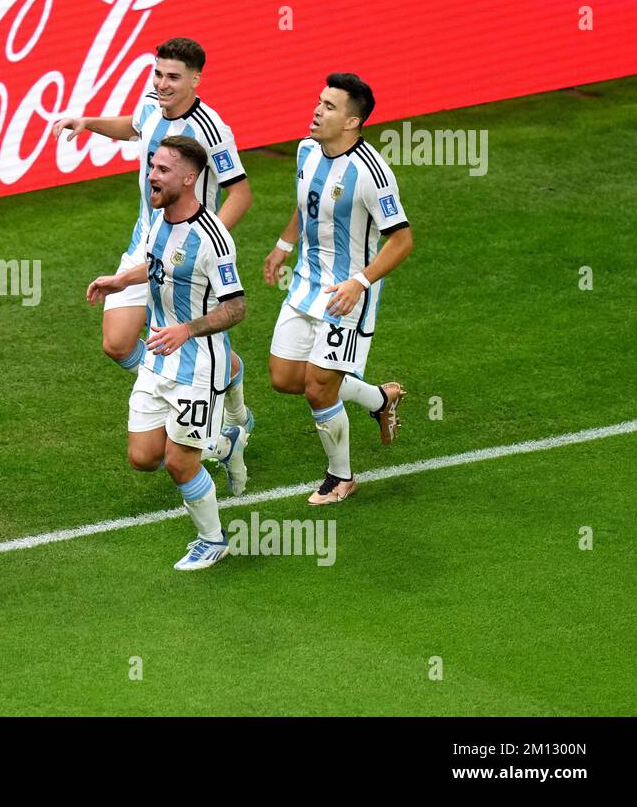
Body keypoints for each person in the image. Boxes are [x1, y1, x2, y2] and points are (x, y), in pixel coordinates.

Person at [52, 37, 256, 450]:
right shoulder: (151, 103)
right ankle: (221, 374)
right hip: (145, 246)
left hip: (187, 257)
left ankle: (221, 414)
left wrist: (207, 240)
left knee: (185, 339)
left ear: (196, 79)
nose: (162, 84)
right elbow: (135, 126)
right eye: (158, 74)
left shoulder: (211, 130)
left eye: (173, 77)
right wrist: (88, 122)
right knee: (116, 343)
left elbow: (241, 194)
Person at [87, 136, 248, 570]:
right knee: (143, 458)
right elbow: (159, 265)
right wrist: (121, 281)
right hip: (159, 360)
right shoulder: (158, 221)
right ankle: (224, 442)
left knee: (180, 463)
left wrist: (188, 329)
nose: (151, 175)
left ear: (189, 178)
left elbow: (237, 307)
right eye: (152, 166)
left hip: (198, 366)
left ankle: (212, 539)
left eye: (161, 170)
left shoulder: (215, 239)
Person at [262, 73, 413, 505]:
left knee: (319, 387)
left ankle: (340, 477)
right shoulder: (307, 151)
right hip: (306, 286)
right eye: (319, 102)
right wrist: (283, 245)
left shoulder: (372, 173)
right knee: (284, 377)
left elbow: (401, 239)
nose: (317, 110)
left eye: (329, 106)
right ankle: (379, 399)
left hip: (347, 296)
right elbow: (305, 202)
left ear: (351, 122)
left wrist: (360, 281)